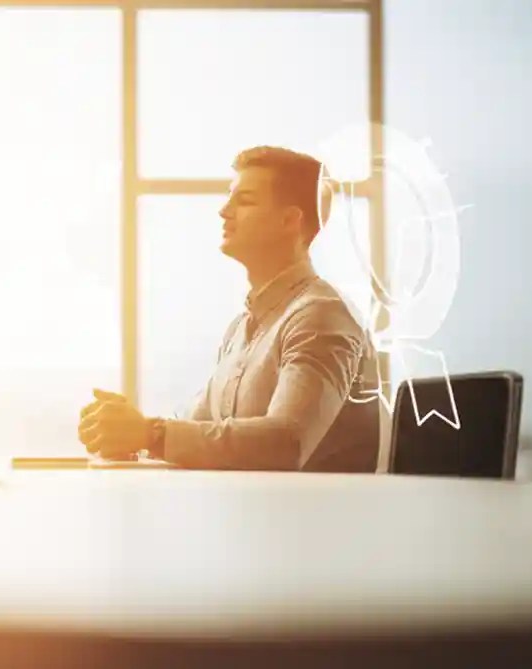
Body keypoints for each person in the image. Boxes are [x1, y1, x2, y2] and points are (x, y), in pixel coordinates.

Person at [79, 146, 379, 472]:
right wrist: (128, 432)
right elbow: (199, 426)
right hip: (252, 505)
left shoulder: (320, 315)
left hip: (313, 507)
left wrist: (150, 434)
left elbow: (286, 443)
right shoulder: (241, 329)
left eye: (245, 200)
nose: (224, 211)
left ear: (289, 221)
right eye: (229, 198)